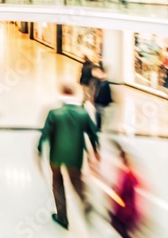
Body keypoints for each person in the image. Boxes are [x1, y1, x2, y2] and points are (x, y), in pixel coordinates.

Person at [38, 83, 100, 230]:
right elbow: (93, 134)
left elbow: (44, 135)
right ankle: (85, 201)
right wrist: (96, 153)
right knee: (76, 181)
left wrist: (39, 150)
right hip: (75, 156)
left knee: (57, 184)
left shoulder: (54, 113)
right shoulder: (83, 113)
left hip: (56, 157)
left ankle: (62, 218)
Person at [108, 143, 141, 238]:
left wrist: (114, 192)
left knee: (118, 227)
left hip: (125, 213)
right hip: (129, 211)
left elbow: (121, 194)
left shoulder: (126, 175)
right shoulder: (130, 173)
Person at [91, 65, 113, 132]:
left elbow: (107, 93)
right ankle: (98, 127)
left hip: (101, 102)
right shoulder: (99, 82)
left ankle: (99, 128)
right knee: (98, 114)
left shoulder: (105, 83)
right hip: (98, 102)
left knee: (99, 114)